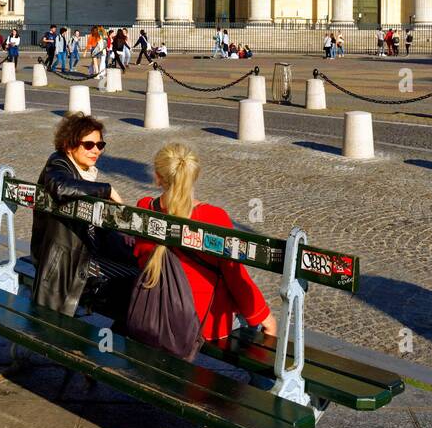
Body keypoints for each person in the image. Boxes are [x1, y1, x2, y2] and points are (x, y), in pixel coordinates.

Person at [134, 143, 277, 350]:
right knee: (252, 327)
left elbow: (141, 257)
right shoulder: (213, 217)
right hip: (202, 324)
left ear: (157, 177)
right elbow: (235, 276)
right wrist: (264, 316)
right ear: (194, 175)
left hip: (154, 312)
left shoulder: (145, 207)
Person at [30, 113, 135, 321]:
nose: (96, 150)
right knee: (133, 289)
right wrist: (108, 189)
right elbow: (60, 188)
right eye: (88, 145)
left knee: (140, 263)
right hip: (60, 261)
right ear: (70, 145)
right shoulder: (58, 164)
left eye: (100, 144)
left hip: (77, 250)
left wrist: (121, 230)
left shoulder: (81, 171)